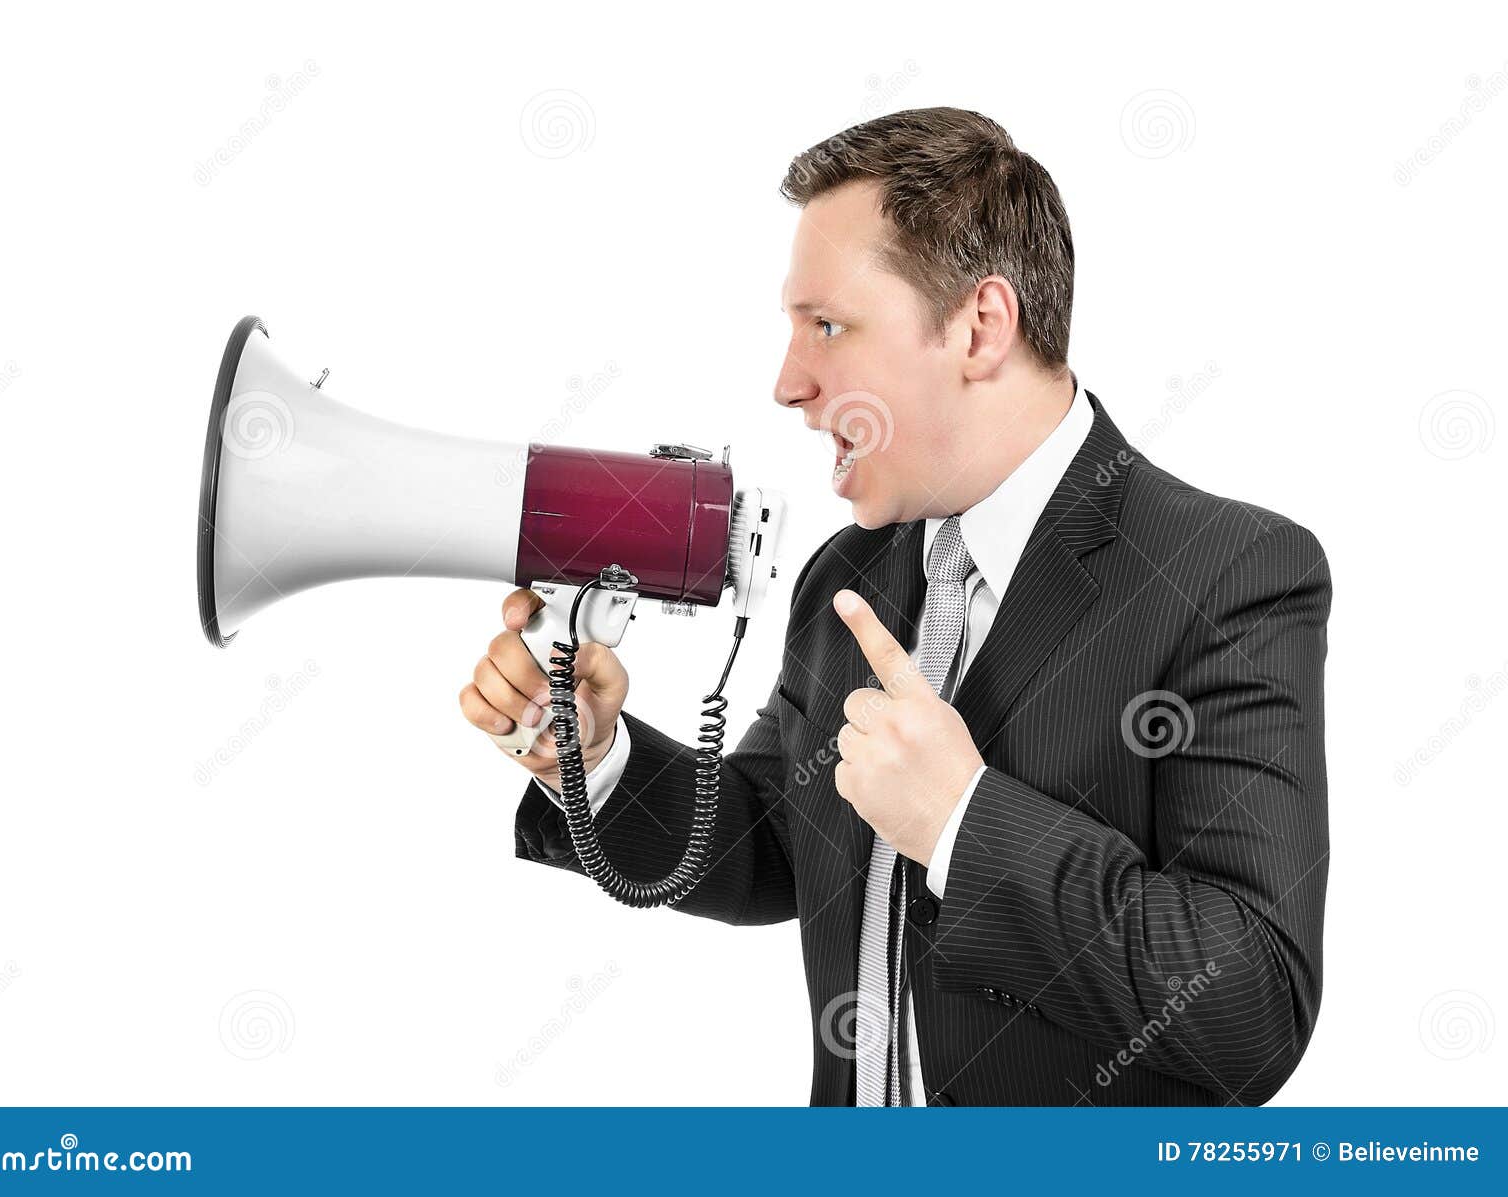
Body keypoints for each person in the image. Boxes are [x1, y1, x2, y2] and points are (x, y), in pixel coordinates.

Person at [459, 107, 1331, 1106]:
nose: (787, 384)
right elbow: (771, 846)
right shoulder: (848, 577)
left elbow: (1251, 1007)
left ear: (978, 326)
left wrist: (964, 821)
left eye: (826, 326)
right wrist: (593, 752)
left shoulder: (1228, 571)